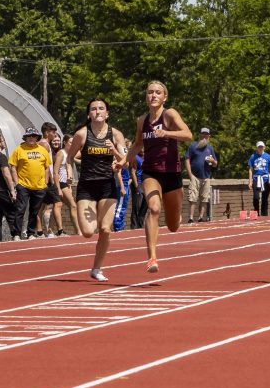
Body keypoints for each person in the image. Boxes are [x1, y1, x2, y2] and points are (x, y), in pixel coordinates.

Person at [127, 80, 193, 273]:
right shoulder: (142, 121)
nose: (153, 95)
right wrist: (124, 160)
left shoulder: (169, 114)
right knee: (154, 208)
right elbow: (138, 145)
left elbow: (188, 135)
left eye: (157, 92)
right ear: (146, 97)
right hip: (151, 172)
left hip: (172, 174)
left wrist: (167, 132)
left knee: (173, 226)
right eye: (150, 92)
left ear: (165, 97)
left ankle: (176, 215)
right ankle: (152, 258)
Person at [68, 99, 128, 281]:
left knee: (105, 229)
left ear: (107, 113)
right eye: (94, 109)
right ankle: (92, 216)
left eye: (101, 108)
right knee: (87, 232)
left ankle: (96, 268)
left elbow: (125, 161)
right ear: (89, 114)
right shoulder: (81, 134)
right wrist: (71, 175)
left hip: (107, 185)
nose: (98, 111)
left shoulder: (116, 134)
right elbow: (69, 158)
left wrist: (115, 153)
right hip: (87, 185)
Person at [10, 127, 51, 239]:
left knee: (34, 211)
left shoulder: (43, 150)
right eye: (29, 136)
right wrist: (17, 183)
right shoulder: (19, 149)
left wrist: (46, 182)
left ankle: (31, 233)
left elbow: (47, 167)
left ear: (37, 137)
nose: (32, 138)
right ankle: (16, 234)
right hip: (23, 185)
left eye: (34, 136)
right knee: (20, 209)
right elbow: (13, 167)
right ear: (26, 137)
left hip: (40, 186)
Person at [185, 127, 218, 223]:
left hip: (206, 176)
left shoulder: (210, 148)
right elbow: (187, 159)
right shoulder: (193, 146)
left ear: (209, 136)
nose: (204, 136)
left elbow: (215, 164)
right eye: (203, 134)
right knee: (192, 197)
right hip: (195, 176)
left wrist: (213, 161)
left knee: (204, 199)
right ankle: (191, 218)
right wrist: (190, 174)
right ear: (200, 135)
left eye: (206, 134)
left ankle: (200, 217)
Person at [57, 134, 79, 235]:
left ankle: (53, 230)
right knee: (73, 205)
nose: (72, 144)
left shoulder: (70, 154)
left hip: (66, 183)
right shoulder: (61, 153)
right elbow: (55, 171)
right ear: (65, 142)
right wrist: (57, 188)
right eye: (70, 142)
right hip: (61, 183)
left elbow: (69, 167)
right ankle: (78, 231)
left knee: (60, 205)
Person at [248, 141, 270, 216]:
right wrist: (250, 181)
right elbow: (250, 170)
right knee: (256, 197)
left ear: (264, 147)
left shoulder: (268, 157)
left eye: (262, 147)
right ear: (256, 148)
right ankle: (256, 212)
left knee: (264, 198)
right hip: (256, 178)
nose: (260, 148)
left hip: (266, 178)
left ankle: (264, 214)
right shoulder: (253, 157)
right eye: (259, 147)